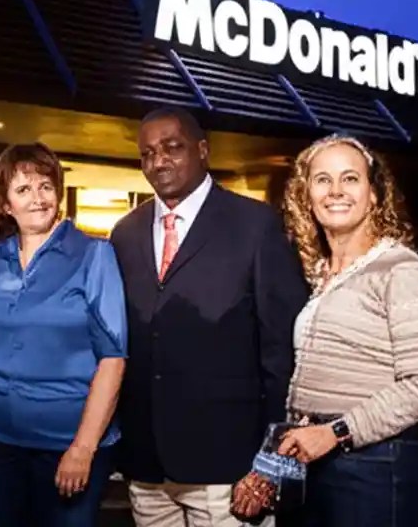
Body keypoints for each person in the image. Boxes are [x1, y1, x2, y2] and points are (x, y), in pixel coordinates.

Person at [232, 133, 418, 526]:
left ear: (374, 194)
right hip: (310, 458)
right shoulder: (322, 276)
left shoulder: (402, 269)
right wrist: (273, 457)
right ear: (306, 194)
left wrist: (336, 432)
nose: (335, 191)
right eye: (322, 180)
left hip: (373, 466)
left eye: (350, 179)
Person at [109, 106, 308, 527]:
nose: (158, 160)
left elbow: (282, 353)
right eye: (147, 153)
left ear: (203, 150)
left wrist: (272, 461)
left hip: (231, 468)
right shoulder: (124, 234)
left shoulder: (256, 225)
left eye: (172, 147)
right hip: (147, 466)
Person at [0, 143, 127, 527]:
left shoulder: (94, 255)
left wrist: (83, 448)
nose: (37, 198)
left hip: (65, 445)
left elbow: (113, 357)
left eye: (45, 186)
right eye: (23, 190)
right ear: (5, 204)